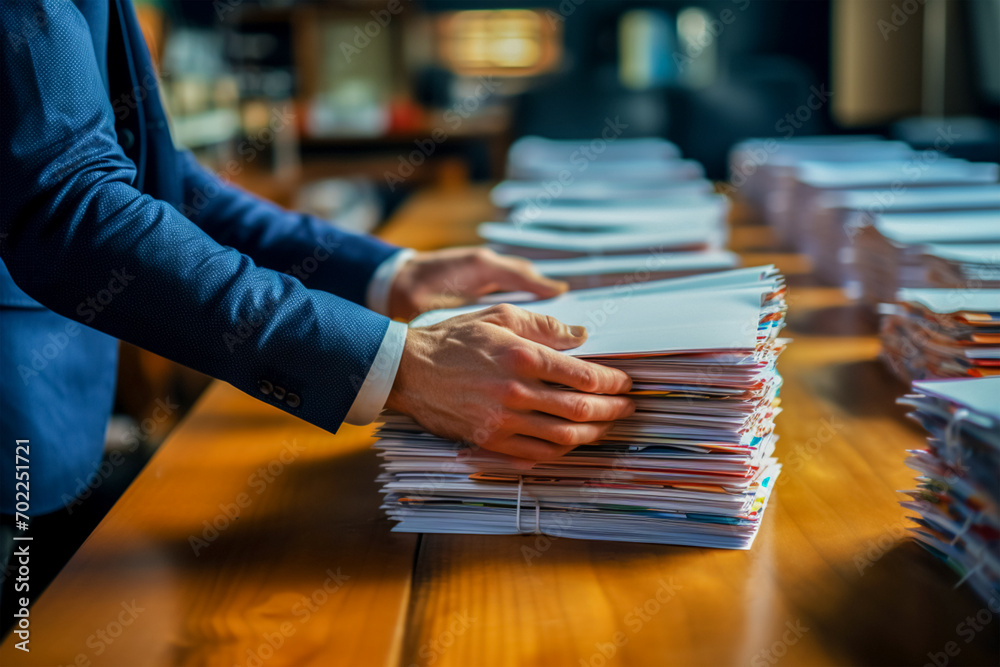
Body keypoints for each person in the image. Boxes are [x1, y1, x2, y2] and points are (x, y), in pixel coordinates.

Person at [0, 0, 636, 528]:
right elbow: (72, 205)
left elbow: (162, 182)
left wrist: (385, 273)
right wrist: (399, 365)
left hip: (57, 418)